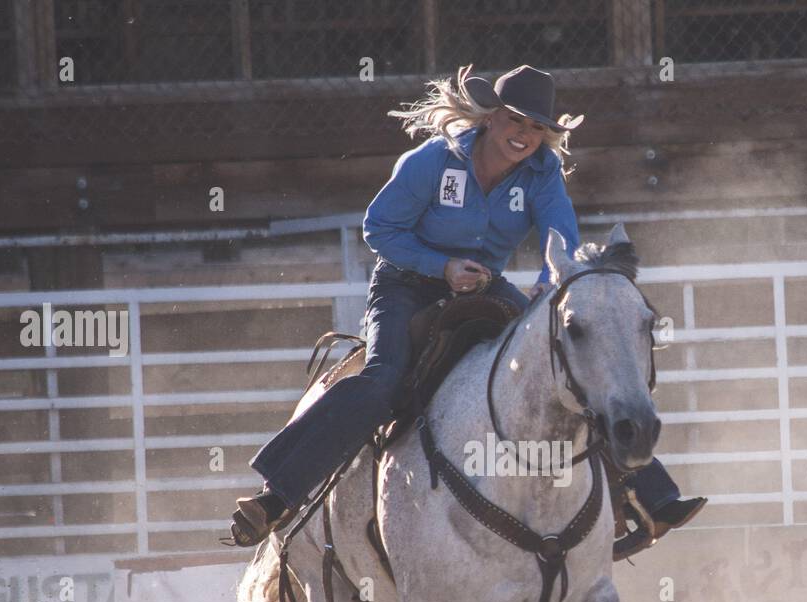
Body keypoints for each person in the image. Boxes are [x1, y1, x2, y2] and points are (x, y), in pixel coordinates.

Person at [230, 63, 705, 559]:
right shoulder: (431, 161)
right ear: (492, 118)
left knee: (562, 361)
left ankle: (648, 496)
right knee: (383, 379)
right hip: (405, 283)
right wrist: (442, 266)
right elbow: (380, 230)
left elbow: (558, 237)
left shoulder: (543, 174)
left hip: (483, 284)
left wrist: (551, 281)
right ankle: (278, 496)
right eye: (517, 122)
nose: (525, 136)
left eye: (537, 127)